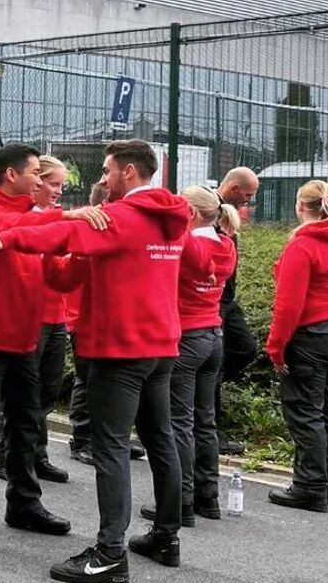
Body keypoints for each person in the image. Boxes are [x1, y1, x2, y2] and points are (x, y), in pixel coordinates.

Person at [0, 139, 189, 582]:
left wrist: (2, 240)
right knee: (161, 440)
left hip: (120, 350)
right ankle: (166, 536)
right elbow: (69, 267)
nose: (100, 181)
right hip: (162, 348)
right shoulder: (171, 218)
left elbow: (59, 233)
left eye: (106, 171)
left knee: (110, 448)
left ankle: (108, 554)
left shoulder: (122, 216)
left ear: (128, 173)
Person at [0, 143, 110, 561]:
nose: (42, 180)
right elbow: (2, 226)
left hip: (25, 341)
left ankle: (24, 505)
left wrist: (87, 254)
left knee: (27, 427)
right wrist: (66, 216)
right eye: (36, 172)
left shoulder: (37, 223)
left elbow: (58, 276)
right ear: (12, 175)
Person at [139, 186, 239, 526]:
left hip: (186, 337)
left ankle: (179, 501)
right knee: (205, 419)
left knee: (178, 422)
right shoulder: (227, 245)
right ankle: (207, 497)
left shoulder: (186, 245)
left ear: (191, 214)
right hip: (214, 336)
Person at [0, 155, 73, 485]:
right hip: (30, 318)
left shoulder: (55, 221)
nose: (55, 191)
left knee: (46, 392)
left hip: (57, 317)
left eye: (60, 186)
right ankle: (5, 455)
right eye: (52, 183)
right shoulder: (22, 220)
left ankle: (36, 454)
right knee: (18, 393)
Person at [265, 180, 328, 512]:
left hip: (310, 337)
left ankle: (310, 485)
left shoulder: (302, 246)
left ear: (300, 207)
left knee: (305, 412)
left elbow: (288, 306)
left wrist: (276, 348)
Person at [215, 167, 260, 455]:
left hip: (228, 302)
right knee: (212, 365)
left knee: (245, 349)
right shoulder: (209, 208)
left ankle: (202, 390)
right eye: (247, 195)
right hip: (211, 301)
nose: (249, 201)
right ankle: (211, 430)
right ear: (233, 186)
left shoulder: (228, 212)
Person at [66, 181, 109, 466]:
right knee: (86, 379)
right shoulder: (90, 226)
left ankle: (102, 438)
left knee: (104, 380)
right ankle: (82, 439)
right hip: (81, 317)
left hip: (102, 318)